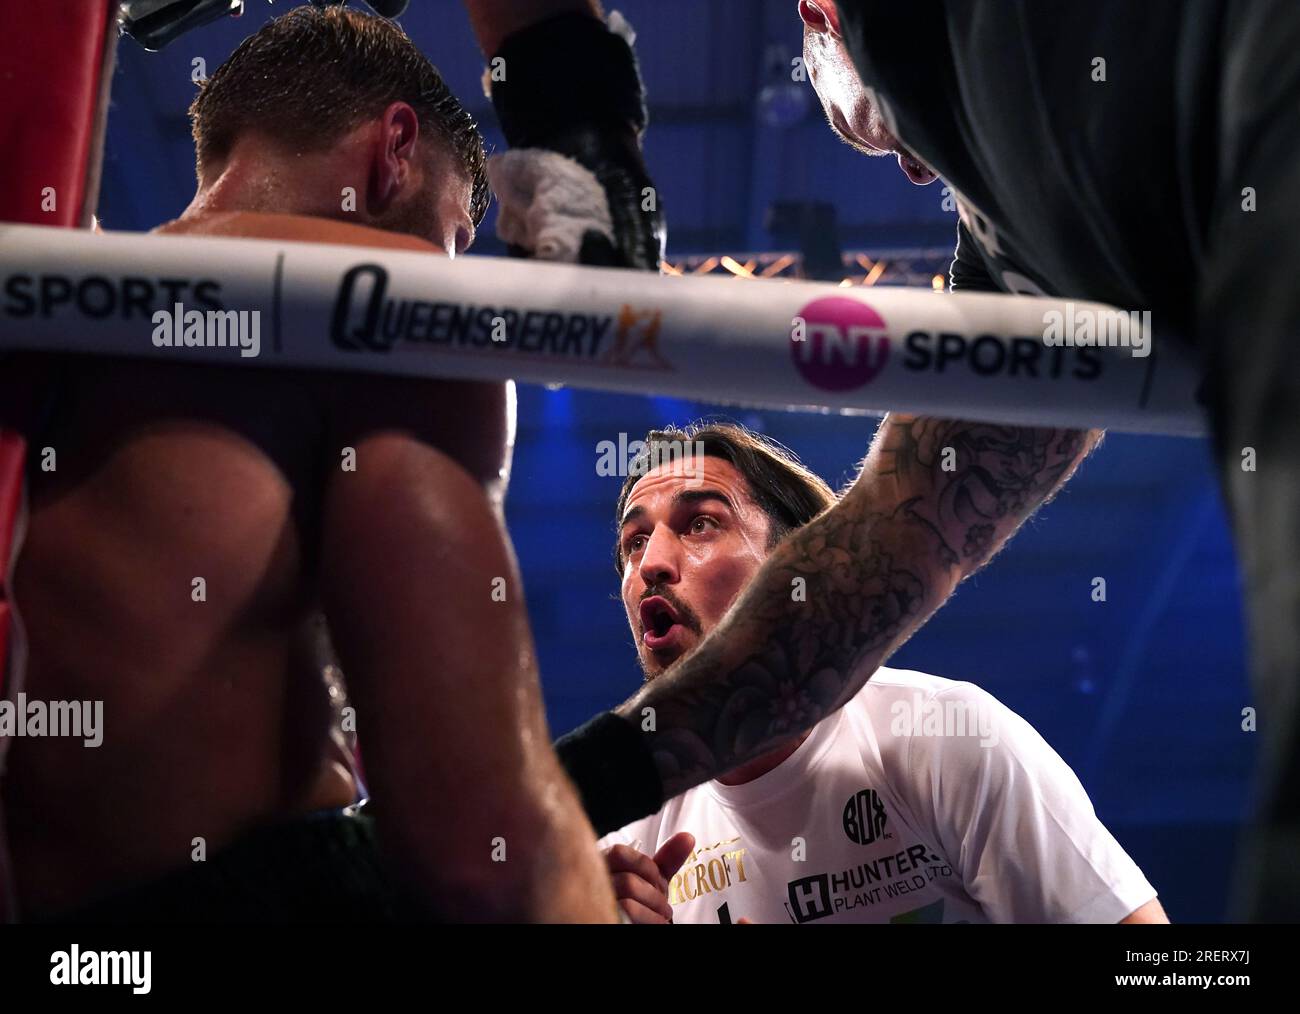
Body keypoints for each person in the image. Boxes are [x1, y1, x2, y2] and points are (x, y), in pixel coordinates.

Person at [0, 4, 615, 923]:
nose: (442, 260)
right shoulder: (395, 308)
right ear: (394, 147)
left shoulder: (54, 315)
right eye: (448, 233)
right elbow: (483, 851)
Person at [797, 0, 1300, 920]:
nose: (914, 169)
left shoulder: (943, 750)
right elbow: (903, 524)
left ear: (824, 21)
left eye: (875, 134)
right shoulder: (1006, 233)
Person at [597, 423, 1167, 924]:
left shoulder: (944, 737)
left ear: (792, 562)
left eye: (699, 523)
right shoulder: (627, 844)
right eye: (634, 542)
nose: (649, 565)